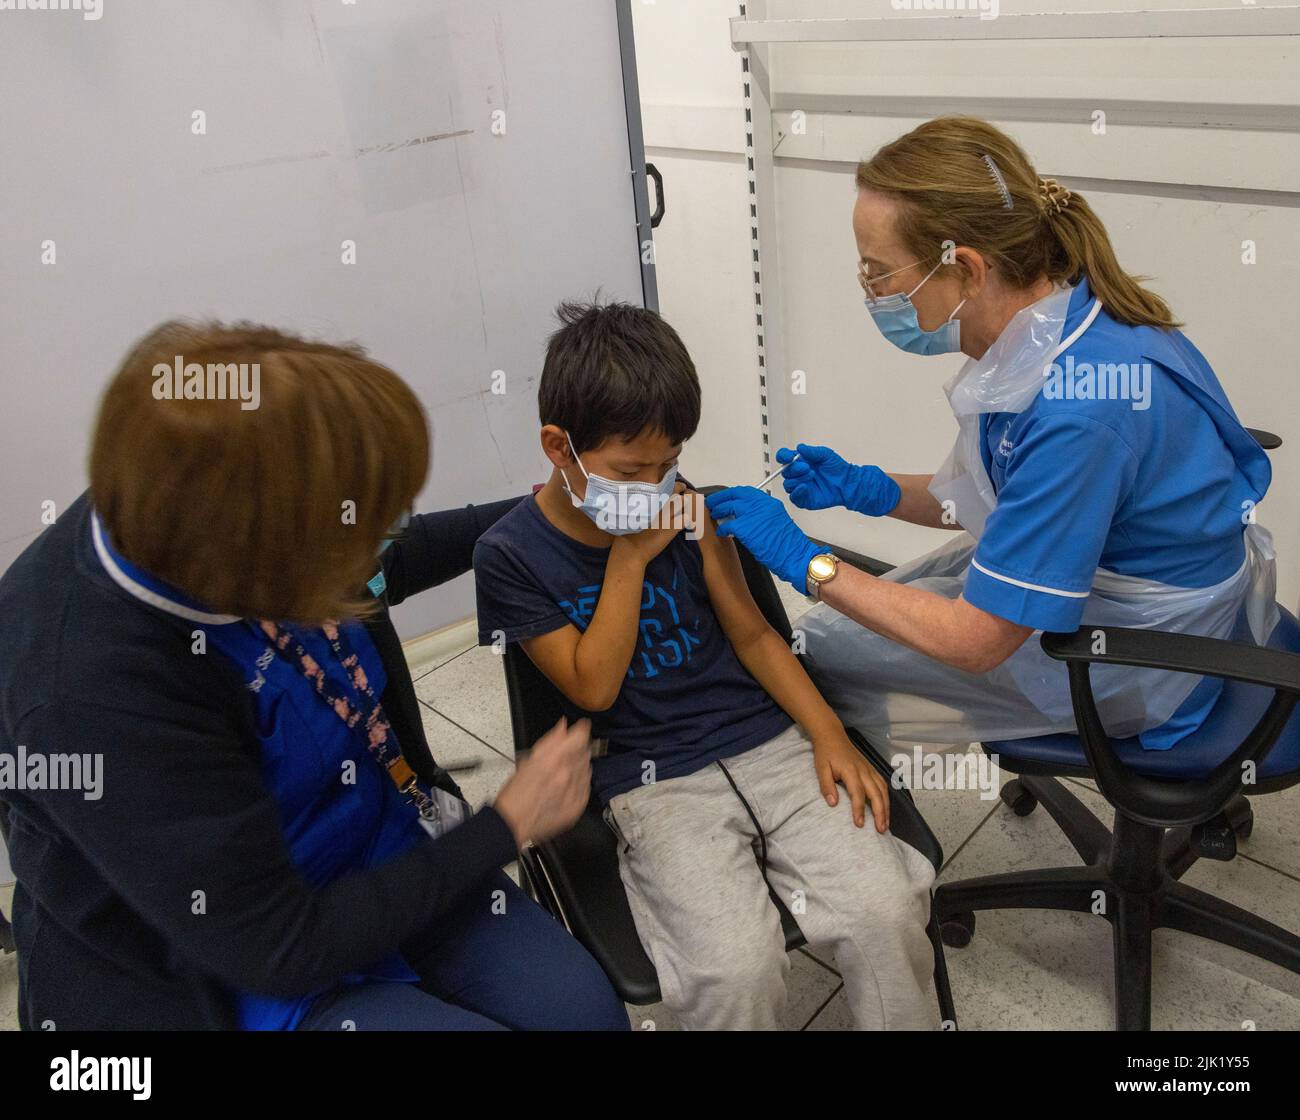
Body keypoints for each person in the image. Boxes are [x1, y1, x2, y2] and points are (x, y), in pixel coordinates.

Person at [0, 321, 628, 1031]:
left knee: (584, 1015)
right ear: (266, 564)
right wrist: (508, 822)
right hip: (249, 956)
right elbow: (281, 945)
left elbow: (384, 552)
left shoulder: (212, 503)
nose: (388, 537)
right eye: (363, 530)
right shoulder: (86, 690)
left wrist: (547, 511)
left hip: (383, 853)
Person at [704, 116, 1277, 749]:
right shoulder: (1051, 328)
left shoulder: (1078, 409)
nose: (870, 292)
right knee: (857, 614)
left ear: (968, 271)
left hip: (1148, 655)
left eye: (878, 272)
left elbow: (973, 641)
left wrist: (803, 558)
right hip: (1110, 578)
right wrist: (869, 489)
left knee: (808, 660)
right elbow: (1004, 499)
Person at [472, 301, 938, 1030]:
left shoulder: (684, 505)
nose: (658, 485)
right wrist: (628, 559)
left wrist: (827, 733)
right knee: (733, 967)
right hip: (652, 781)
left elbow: (753, 636)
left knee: (885, 910)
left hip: (771, 742)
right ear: (560, 448)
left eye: (670, 464)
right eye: (633, 469)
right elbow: (592, 684)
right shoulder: (509, 555)